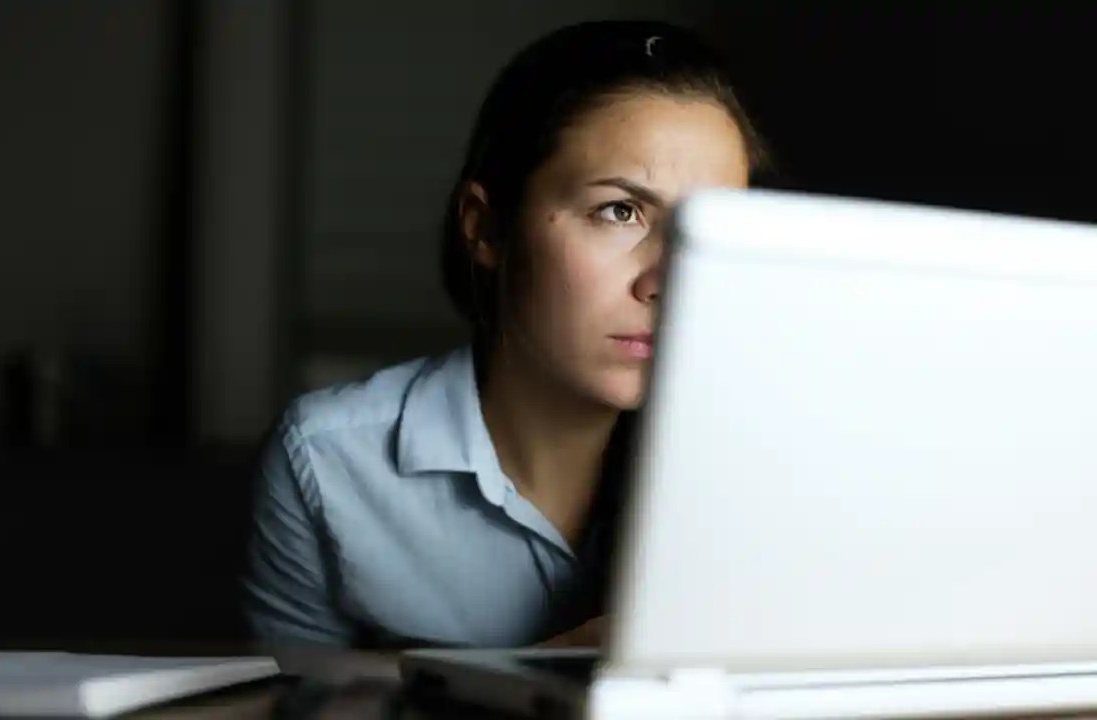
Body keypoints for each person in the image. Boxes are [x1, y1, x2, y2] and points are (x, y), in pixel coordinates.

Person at [241, 20, 768, 648]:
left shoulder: (761, 463)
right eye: (619, 211)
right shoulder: (330, 464)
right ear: (487, 228)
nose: (667, 279)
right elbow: (294, 695)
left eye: (707, 224)